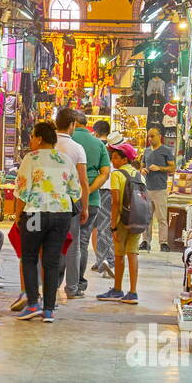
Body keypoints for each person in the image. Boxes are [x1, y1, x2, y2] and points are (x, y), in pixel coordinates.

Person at [10, 123, 80, 323]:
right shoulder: (65, 160)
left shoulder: (31, 159)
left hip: (35, 214)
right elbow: (75, 191)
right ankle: (49, 309)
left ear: (39, 138)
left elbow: (23, 190)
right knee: (51, 261)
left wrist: (17, 215)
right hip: (61, 215)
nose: (31, 140)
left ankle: (33, 303)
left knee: (30, 257)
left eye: (32, 137)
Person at [50, 108, 90, 301]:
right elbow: (83, 181)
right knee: (73, 246)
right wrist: (85, 206)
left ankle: (49, 285)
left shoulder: (47, 145)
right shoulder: (76, 148)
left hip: (46, 202)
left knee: (50, 245)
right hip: (69, 203)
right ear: (72, 124)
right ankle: (72, 288)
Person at [98, 142, 144, 304]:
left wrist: (113, 225)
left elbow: (115, 201)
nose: (113, 160)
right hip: (138, 219)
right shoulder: (139, 175)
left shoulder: (117, 175)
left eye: (116, 157)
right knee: (133, 254)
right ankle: (133, 292)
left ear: (125, 159)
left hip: (122, 221)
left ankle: (117, 289)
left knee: (119, 255)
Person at [69, 110, 107, 298]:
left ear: (73, 123)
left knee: (63, 240)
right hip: (91, 200)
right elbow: (105, 172)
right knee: (82, 242)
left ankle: (61, 281)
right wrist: (90, 190)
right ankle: (77, 283)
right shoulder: (98, 143)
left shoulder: (66, 140)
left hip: (65, 199)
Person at [140, 127, 175, 251]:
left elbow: (172, 168)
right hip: (148, 188)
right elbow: (142, 165)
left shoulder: (166, 150)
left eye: (152, 136)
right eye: (148, 136)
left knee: (161, 218)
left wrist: (160, 168)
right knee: (146, 217)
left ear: (159, 136)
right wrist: (142, 170)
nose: (150, 139)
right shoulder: (147, 151)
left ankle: (163, 242)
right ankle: (145, 241)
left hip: (160, 189)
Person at [90, 119, 114, 274]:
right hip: (113, 188)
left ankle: (103, 260)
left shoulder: (95, 146)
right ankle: (106, 260)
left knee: (98, 227)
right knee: (108, 226)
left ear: (96, 132)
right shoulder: (114, 146)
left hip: (100, 188)